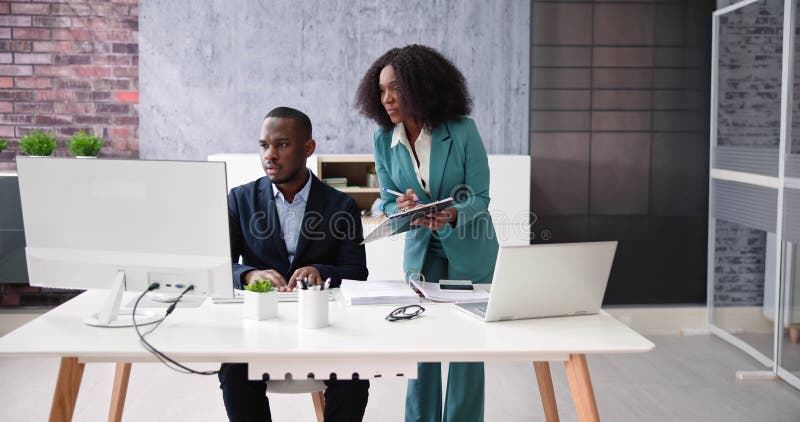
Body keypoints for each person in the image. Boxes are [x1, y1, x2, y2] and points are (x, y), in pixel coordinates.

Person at [355, 45, 499, 422]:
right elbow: (386, 202)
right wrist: (399, 207)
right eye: (381, 90)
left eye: (396, 88)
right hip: (422, 254)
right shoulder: (383, 139)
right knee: (422, 348)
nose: (386, 99)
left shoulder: (462, 130)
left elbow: (479, 197)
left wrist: (451, 214)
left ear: (422, 86)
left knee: (467, 351)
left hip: (469, 251)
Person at [220, 106, 370, 422]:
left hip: (324, 325)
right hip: (261, 324)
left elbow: (356, 273)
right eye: (264, 145)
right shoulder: (240, 199)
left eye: (282, 145)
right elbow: (221, 265)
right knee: (233, 372)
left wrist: (321, 272)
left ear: (308, 148)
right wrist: (249, 275)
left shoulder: (341, 205)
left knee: (355, 377)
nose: (270, 155)